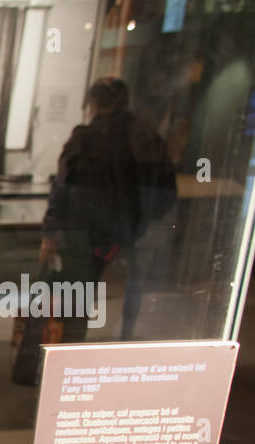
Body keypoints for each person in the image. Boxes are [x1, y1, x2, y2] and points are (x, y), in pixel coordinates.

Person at [37, 76, 176, 344]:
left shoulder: (85, 138)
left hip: (86, 235)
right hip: (132, 234)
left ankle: (69, 352)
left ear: (94, 104)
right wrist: (144, 220)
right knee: (132, 294)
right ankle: (123, 343)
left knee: (78, 297)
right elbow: (165, 193)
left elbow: (62, 188)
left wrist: (51, 231)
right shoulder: (148, 138)